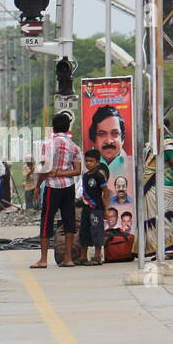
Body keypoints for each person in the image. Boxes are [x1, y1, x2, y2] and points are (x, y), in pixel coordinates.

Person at [32, 113, 81, 269]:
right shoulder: (74, 146)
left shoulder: (48, 144)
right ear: (68, 128)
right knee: (69, 221)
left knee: (46, 220)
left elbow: (45, 169)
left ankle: (43, 259)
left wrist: (37, 186)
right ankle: (68, 258)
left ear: (53, 127)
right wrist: (62, 173)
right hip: (69, 187)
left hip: (52, 187)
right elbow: (77, 171)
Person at [75, 148, 109, 265]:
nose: (88, 163)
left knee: (96, 231)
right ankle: (83, 256)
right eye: (87, 161)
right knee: (84, 231)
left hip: (96, 209)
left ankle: (97, 256)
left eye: (91, 161)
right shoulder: (84, 176)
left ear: (97, 162)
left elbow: (105, 192)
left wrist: (106, 209)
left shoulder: (99, 176)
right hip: (86, 208)